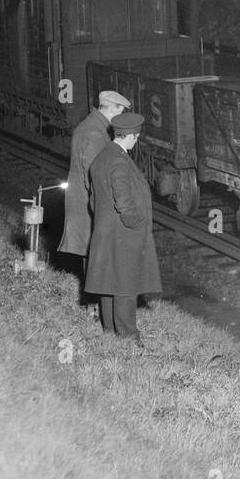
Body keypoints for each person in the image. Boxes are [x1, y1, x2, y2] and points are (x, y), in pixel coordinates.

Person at [85, 112, 161, 345]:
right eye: (136, 137)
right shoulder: (118, 160)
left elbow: (92, 200)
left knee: (110, 284)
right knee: (126, 287)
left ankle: (110, 332)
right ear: (132, 137)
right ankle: (129, 339)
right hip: (124, 234)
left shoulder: (102, 156)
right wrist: (135, 222)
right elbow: (123, 199)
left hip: (106, 231)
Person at [58, 89, 131, 287]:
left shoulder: (94, 127)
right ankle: (94, 305)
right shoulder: (94, 133)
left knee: (94, 257)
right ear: (113, 109)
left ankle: (95, 303)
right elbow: (95, 177)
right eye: (121, 111)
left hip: (88, 205)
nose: (122, 116)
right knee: (95, 258)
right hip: (89, 207)